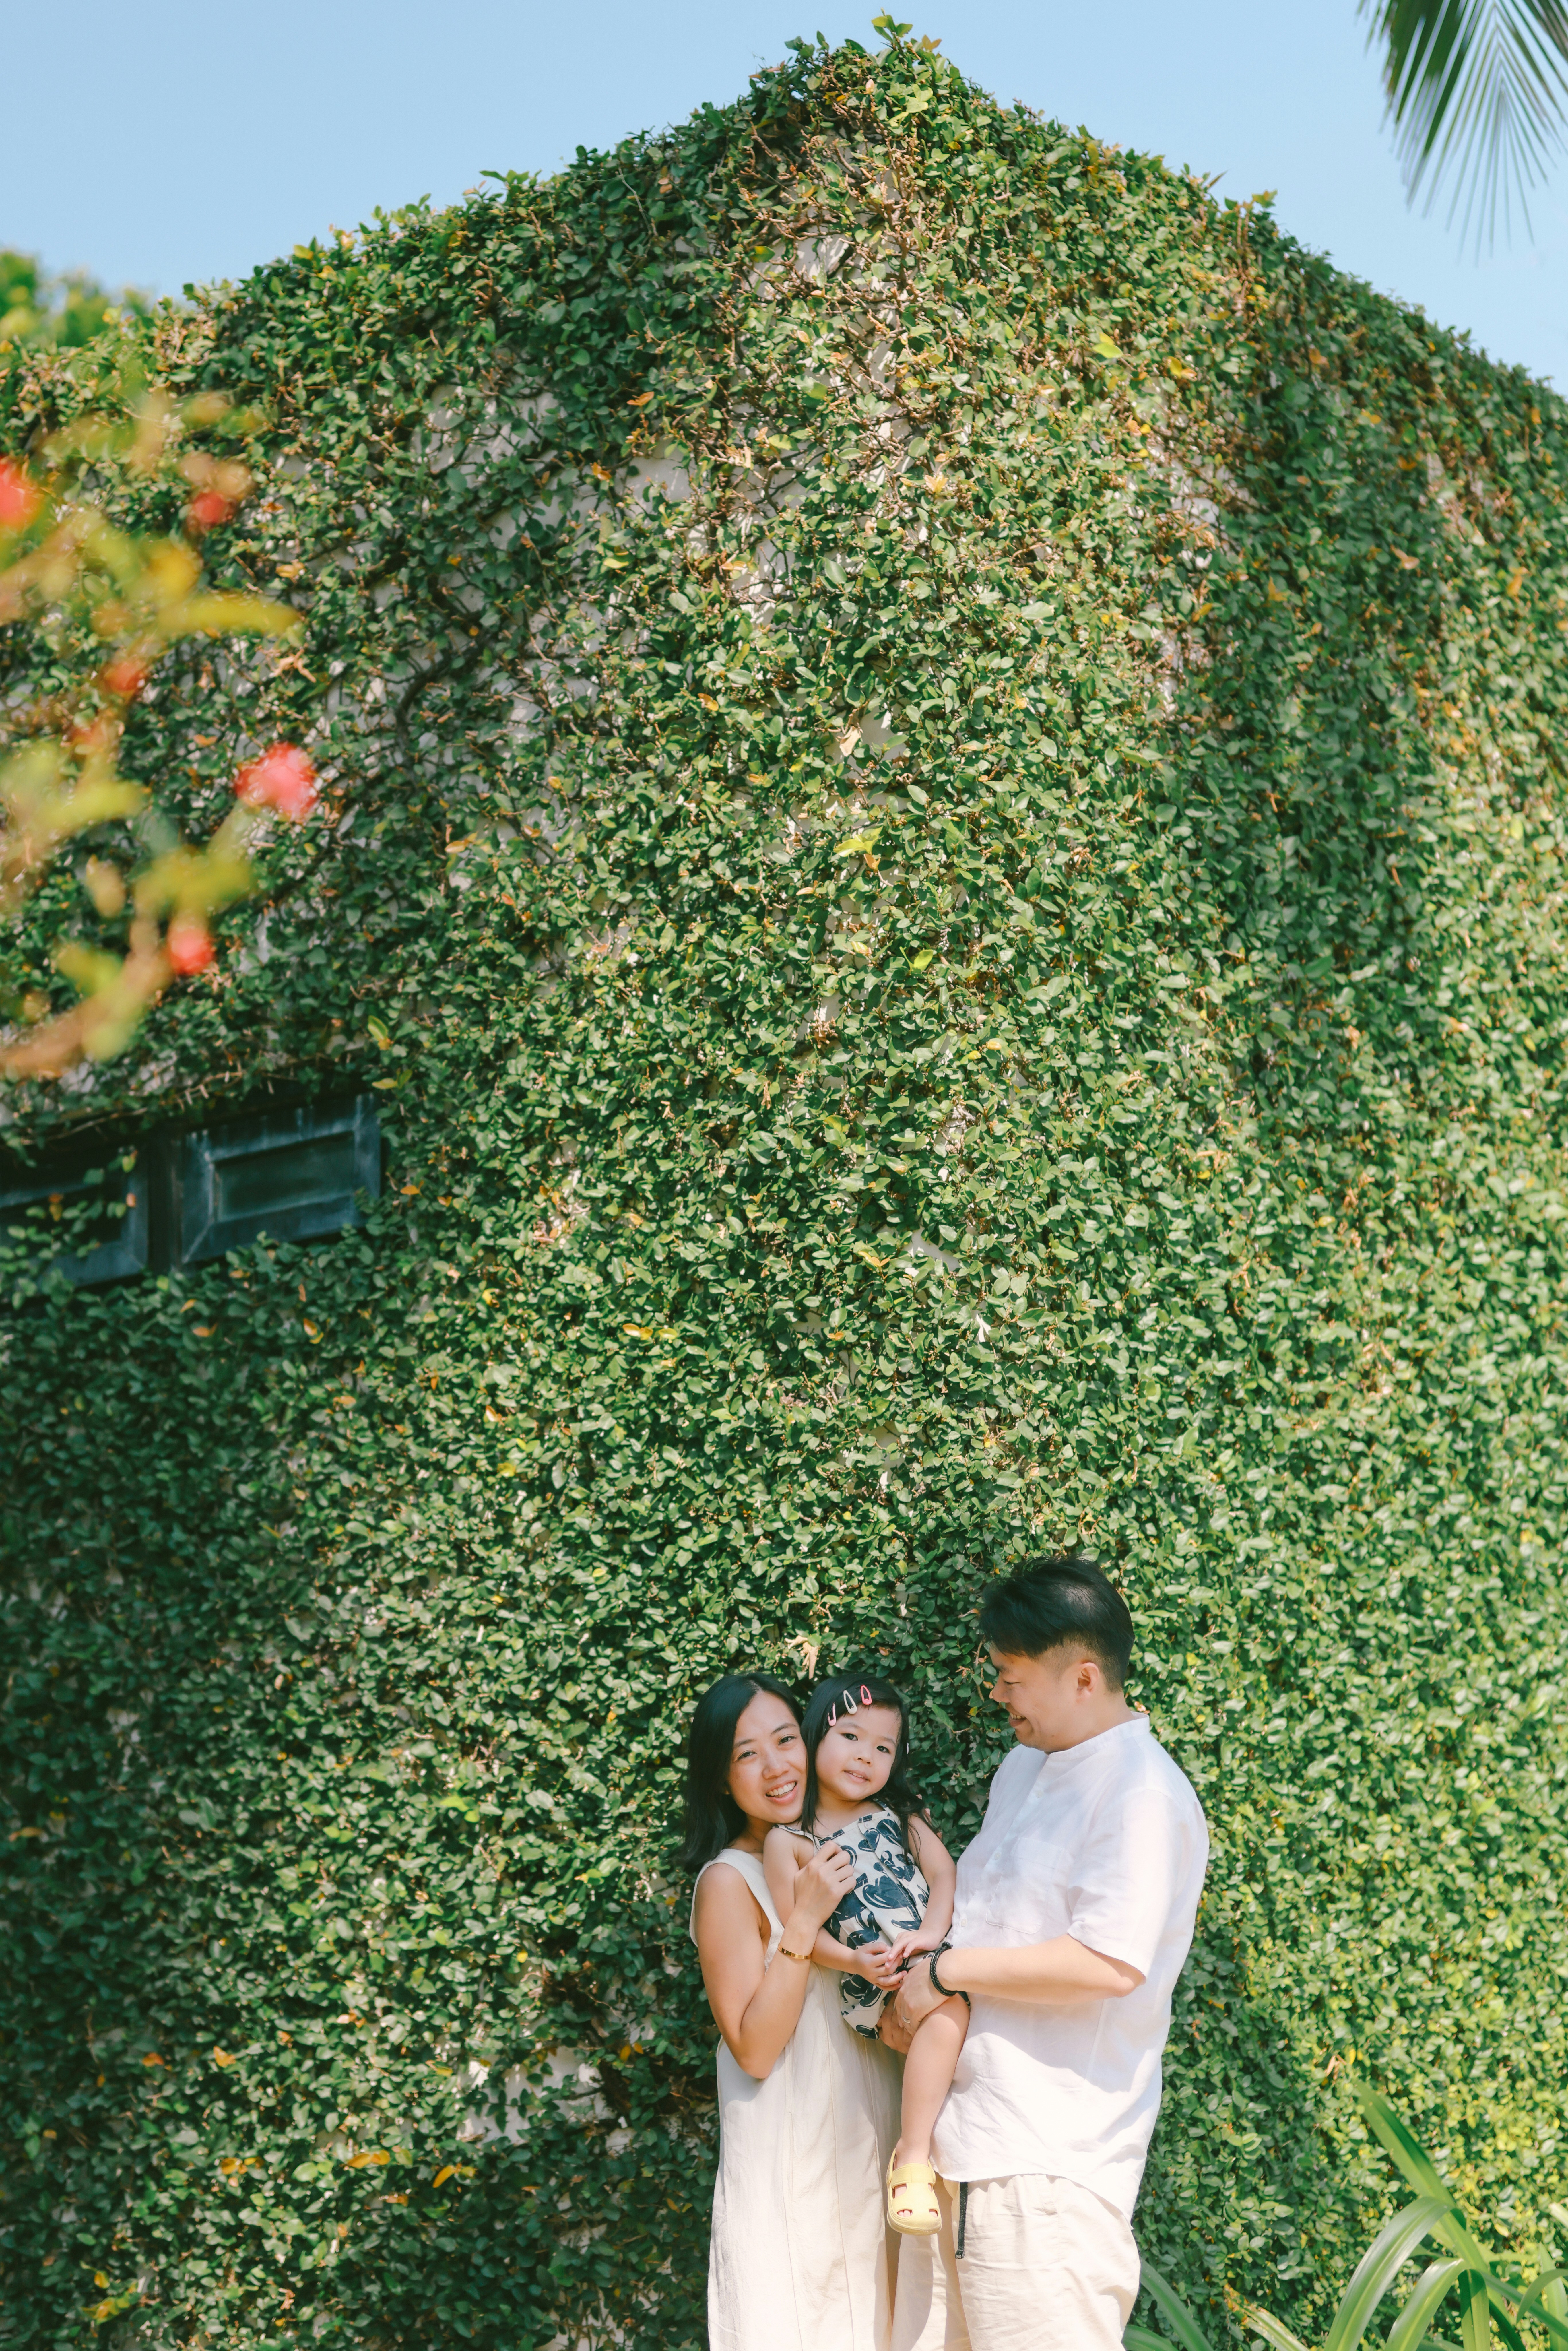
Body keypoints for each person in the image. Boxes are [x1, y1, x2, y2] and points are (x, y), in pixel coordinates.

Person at [887, 1555, 1210, 2351]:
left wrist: (943, 1976)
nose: (997, 1693)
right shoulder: (1024, 1767)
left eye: (1012, 1676)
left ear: (1084, 1679)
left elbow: (1109, 1963)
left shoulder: (1141, 1792)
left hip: (1048, 2171)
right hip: (955, 2155)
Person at [684, 1670, 906, 2351]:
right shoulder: (729, 1881)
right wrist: (804, 1919)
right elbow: (754, 2048)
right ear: (722, 1778)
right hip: (793, 2166)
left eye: (785, 1740)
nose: (777, 1766)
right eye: (747, 1753)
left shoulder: (857, 1843)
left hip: (870, 2142)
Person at [761, 1674, 961, 2236]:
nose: (864, 1756)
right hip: (870, 1981)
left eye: (882, 1748)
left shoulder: (900, 1814)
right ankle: (913, 2160)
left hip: (928, 1956)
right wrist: (854, 1963)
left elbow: (943, 1873)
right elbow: (795, 1930)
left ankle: (937, 2155)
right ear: (814, 1737)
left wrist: (930, 1934)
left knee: (956, 2017)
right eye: (849, 1736)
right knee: (948, 2016)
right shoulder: (791, 1840)